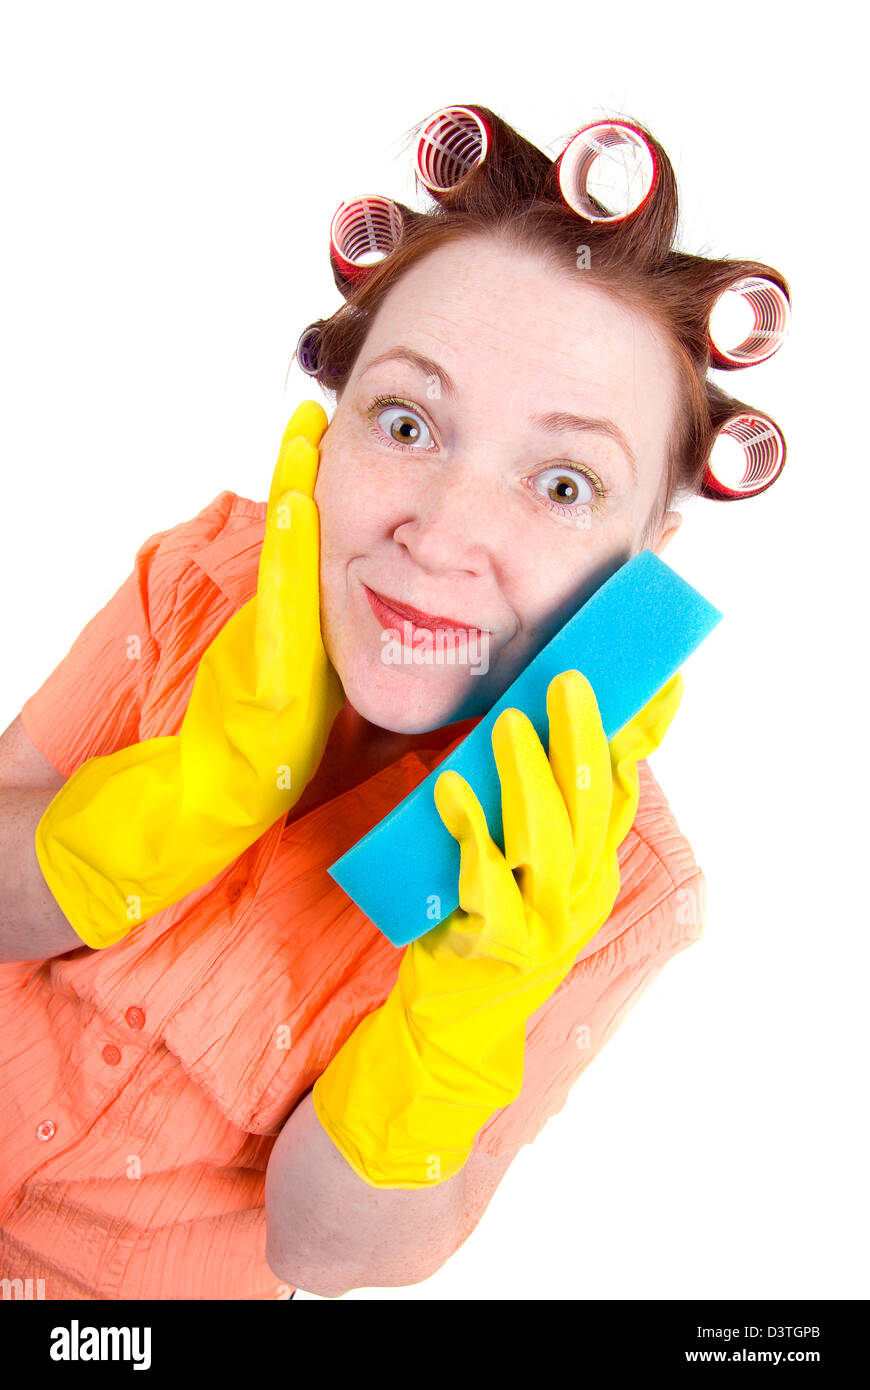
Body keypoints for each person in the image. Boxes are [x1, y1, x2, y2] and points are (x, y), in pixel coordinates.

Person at [0, 106, 788, 1300]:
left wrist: (467, 1010)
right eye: (408, 422)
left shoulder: (624, 889)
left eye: (564, 481)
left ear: (649, 556)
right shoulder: (203, 580)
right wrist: (188, 792)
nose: (445, 534)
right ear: (330, 422)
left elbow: (326, 1254)